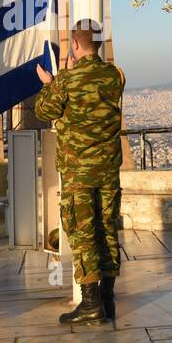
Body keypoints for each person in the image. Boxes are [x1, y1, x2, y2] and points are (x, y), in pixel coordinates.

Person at [34, 19, 125, 324]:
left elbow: (44, 111)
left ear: (74, 45)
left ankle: (90, 303)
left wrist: (51, 84)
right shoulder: (115, 76)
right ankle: (108, 299)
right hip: (109, 168)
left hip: (79, 171)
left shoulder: (68, 81)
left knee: (83, 230)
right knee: (107, 227)